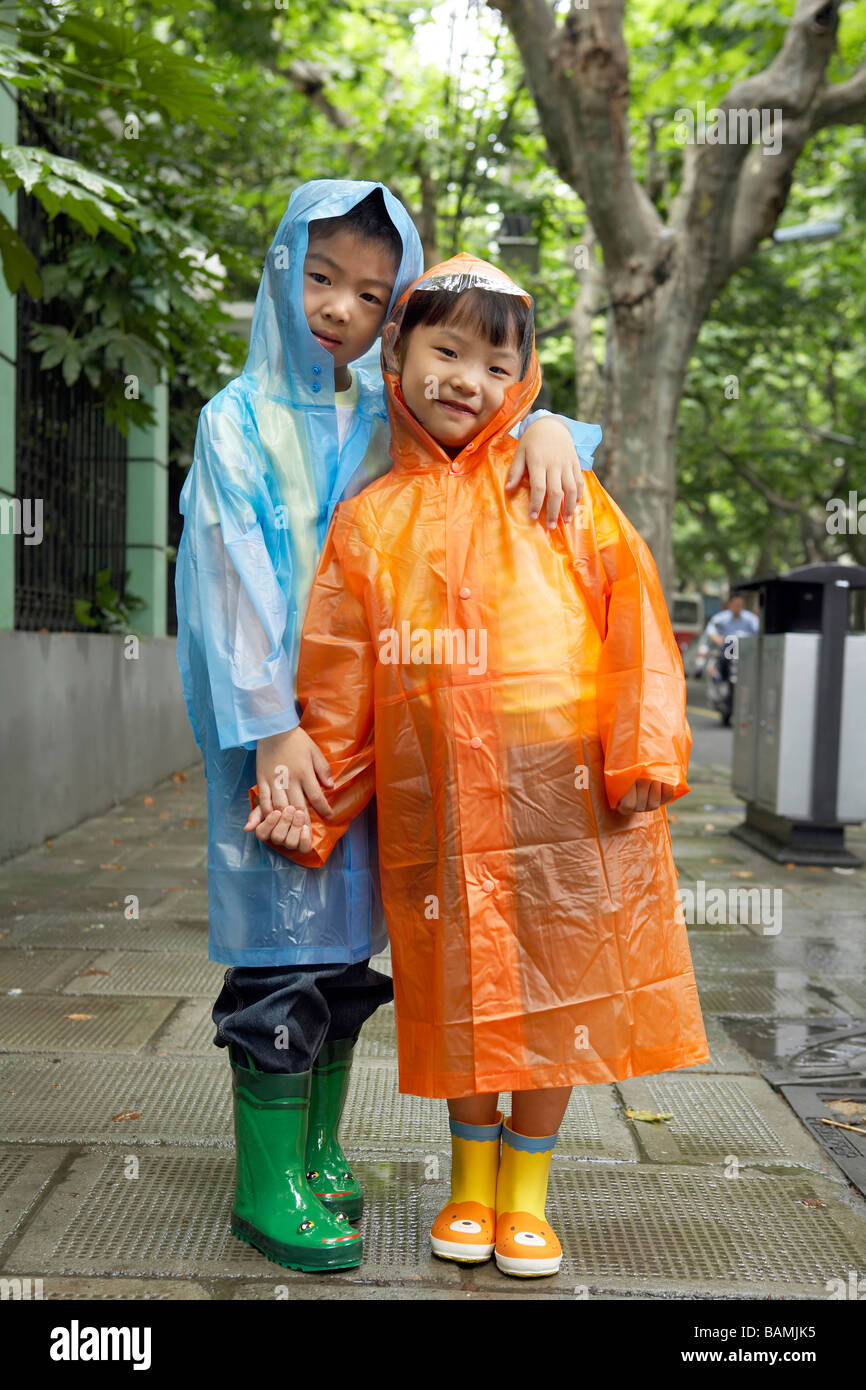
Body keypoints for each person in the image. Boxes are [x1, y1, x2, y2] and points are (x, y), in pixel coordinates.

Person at [245, 253, 711, 1279]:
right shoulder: (371, 518)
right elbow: (339, 665)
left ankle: (528, 1192)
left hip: (569, 793)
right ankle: (467, 1182)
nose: (467, 379)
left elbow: (630, 614)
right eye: (445, 349)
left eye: (496, 365)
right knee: (456, 990)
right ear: (398, 354)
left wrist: (644, 747)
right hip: (438, 804)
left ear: (525, 380)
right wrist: (308, 793)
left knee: (560, 994)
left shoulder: (555, 484)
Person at [175, 183, 597, 1273]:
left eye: (370, 292)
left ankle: (316, 1150)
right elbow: (231, 589)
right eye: (318, 278)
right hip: (284, 739)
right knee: (278, 958)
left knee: (351, 960)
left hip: (381, 737)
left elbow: (486, 422)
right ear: (278, 273)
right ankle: (266, 1182)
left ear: (394, 316)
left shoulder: (382, 411)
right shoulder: (235, 421)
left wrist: (549, 421)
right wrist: (271, 730)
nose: (338, 308)